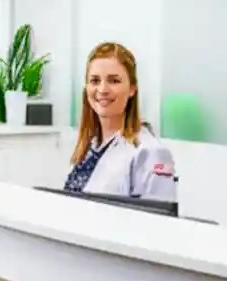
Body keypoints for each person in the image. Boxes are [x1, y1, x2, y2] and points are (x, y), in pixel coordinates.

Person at [63, 42, 177, 201]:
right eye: (95, 80)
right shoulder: (89, 147)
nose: (102, 90)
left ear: (132, 89)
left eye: (114, 81)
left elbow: (157, 222)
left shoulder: (150, 152)